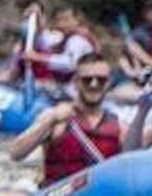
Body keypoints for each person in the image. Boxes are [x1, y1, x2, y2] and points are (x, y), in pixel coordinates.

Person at [7, 54, 122, 183]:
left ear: (108, 82)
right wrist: (50, 120)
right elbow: (15, 153)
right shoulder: (54, 117)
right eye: (87, 80)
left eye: (101, 80)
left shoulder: (120, 126)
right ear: (76, 82)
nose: (94, 84)